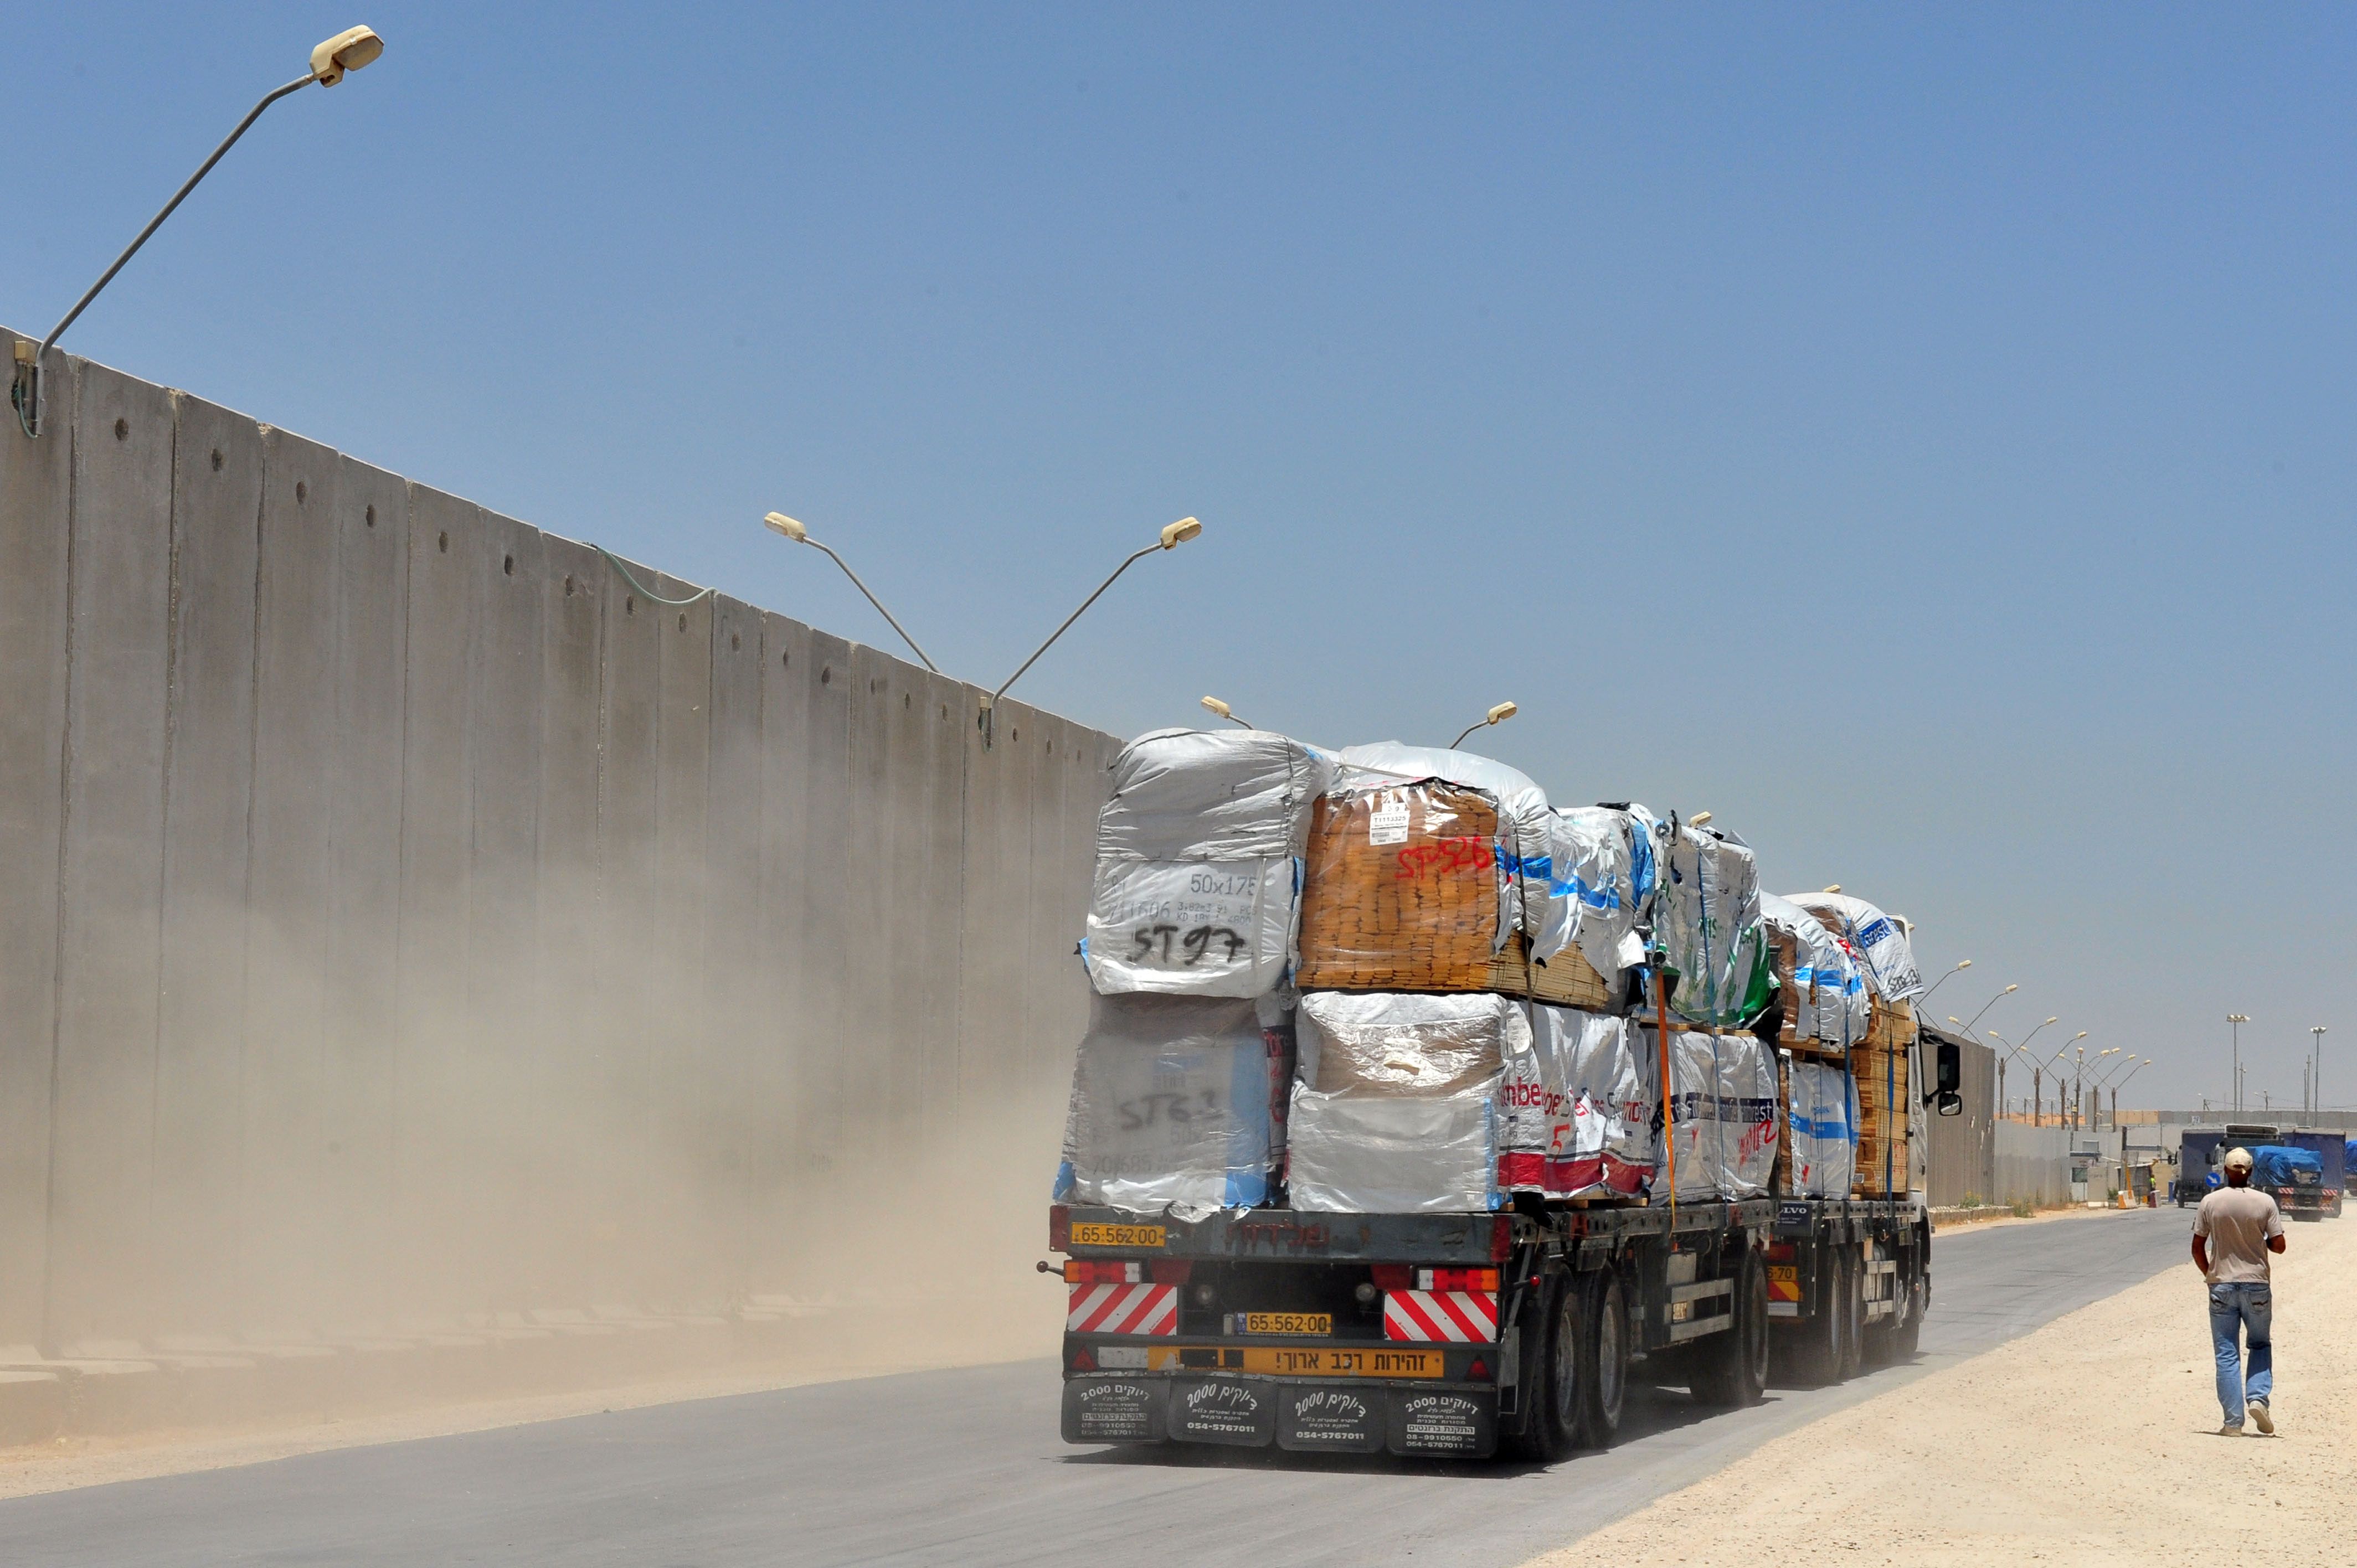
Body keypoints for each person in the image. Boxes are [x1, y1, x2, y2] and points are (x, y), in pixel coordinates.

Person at [2191, 1146, 2285, 1435]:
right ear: (2251, 1171)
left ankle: (2233, 1423)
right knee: (2259, 1344)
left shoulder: (2210, 1202)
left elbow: (2197, 1249)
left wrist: (2211, 1274)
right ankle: (2257, 1398)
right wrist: (2260, 1242)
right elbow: (2279, 1246)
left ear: (2226, 1171)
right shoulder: (2265, 1202)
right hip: (2257, 1283)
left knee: (2226, 1353)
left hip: (2221, 1285)